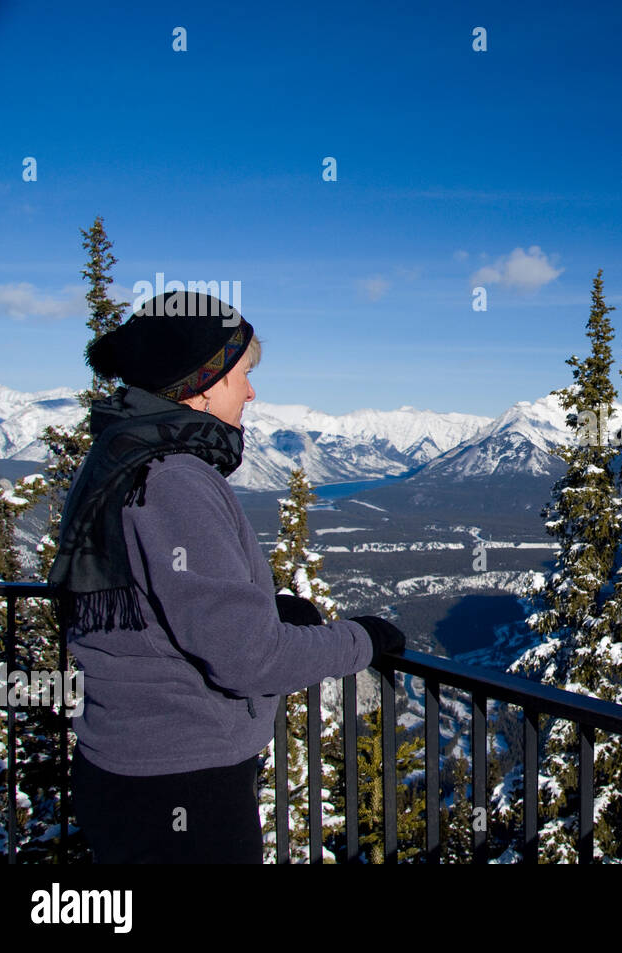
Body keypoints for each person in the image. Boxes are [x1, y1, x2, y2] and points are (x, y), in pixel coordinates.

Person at [47, 290, 405, 863]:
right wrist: (362, 640)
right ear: (205, 382)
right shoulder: (174, 478)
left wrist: (263, 608)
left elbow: (151, 603)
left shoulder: (119, 456)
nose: (252, 391)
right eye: (244, 374)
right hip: (184, 784)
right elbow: (249, 661)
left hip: (122, 766)